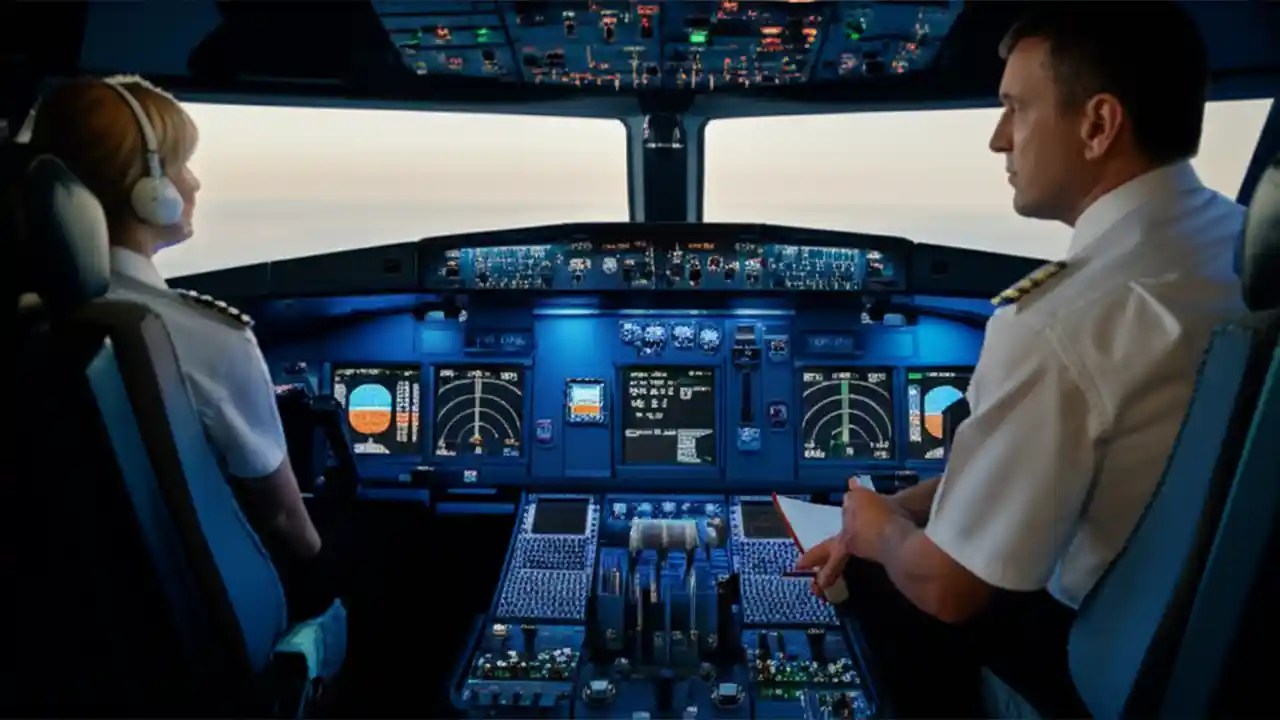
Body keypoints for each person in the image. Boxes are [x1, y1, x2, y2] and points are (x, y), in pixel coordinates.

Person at [798, 3, 1245, 716]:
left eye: (1015, 108)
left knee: (879, 583)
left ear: (1098, 125)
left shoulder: (1061, 321)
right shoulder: (1237, 244)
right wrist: (905, 505)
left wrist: (875, 531)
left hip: (1111, 658)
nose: (998, 139)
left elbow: (950, 589)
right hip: (1231, 637)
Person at [25, 75, 323, 565]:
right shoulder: (203, 337)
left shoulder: (29, 319)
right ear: (150, 189)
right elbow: (286, 523)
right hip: (206, 619)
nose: (194, 181)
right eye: (181, 163)